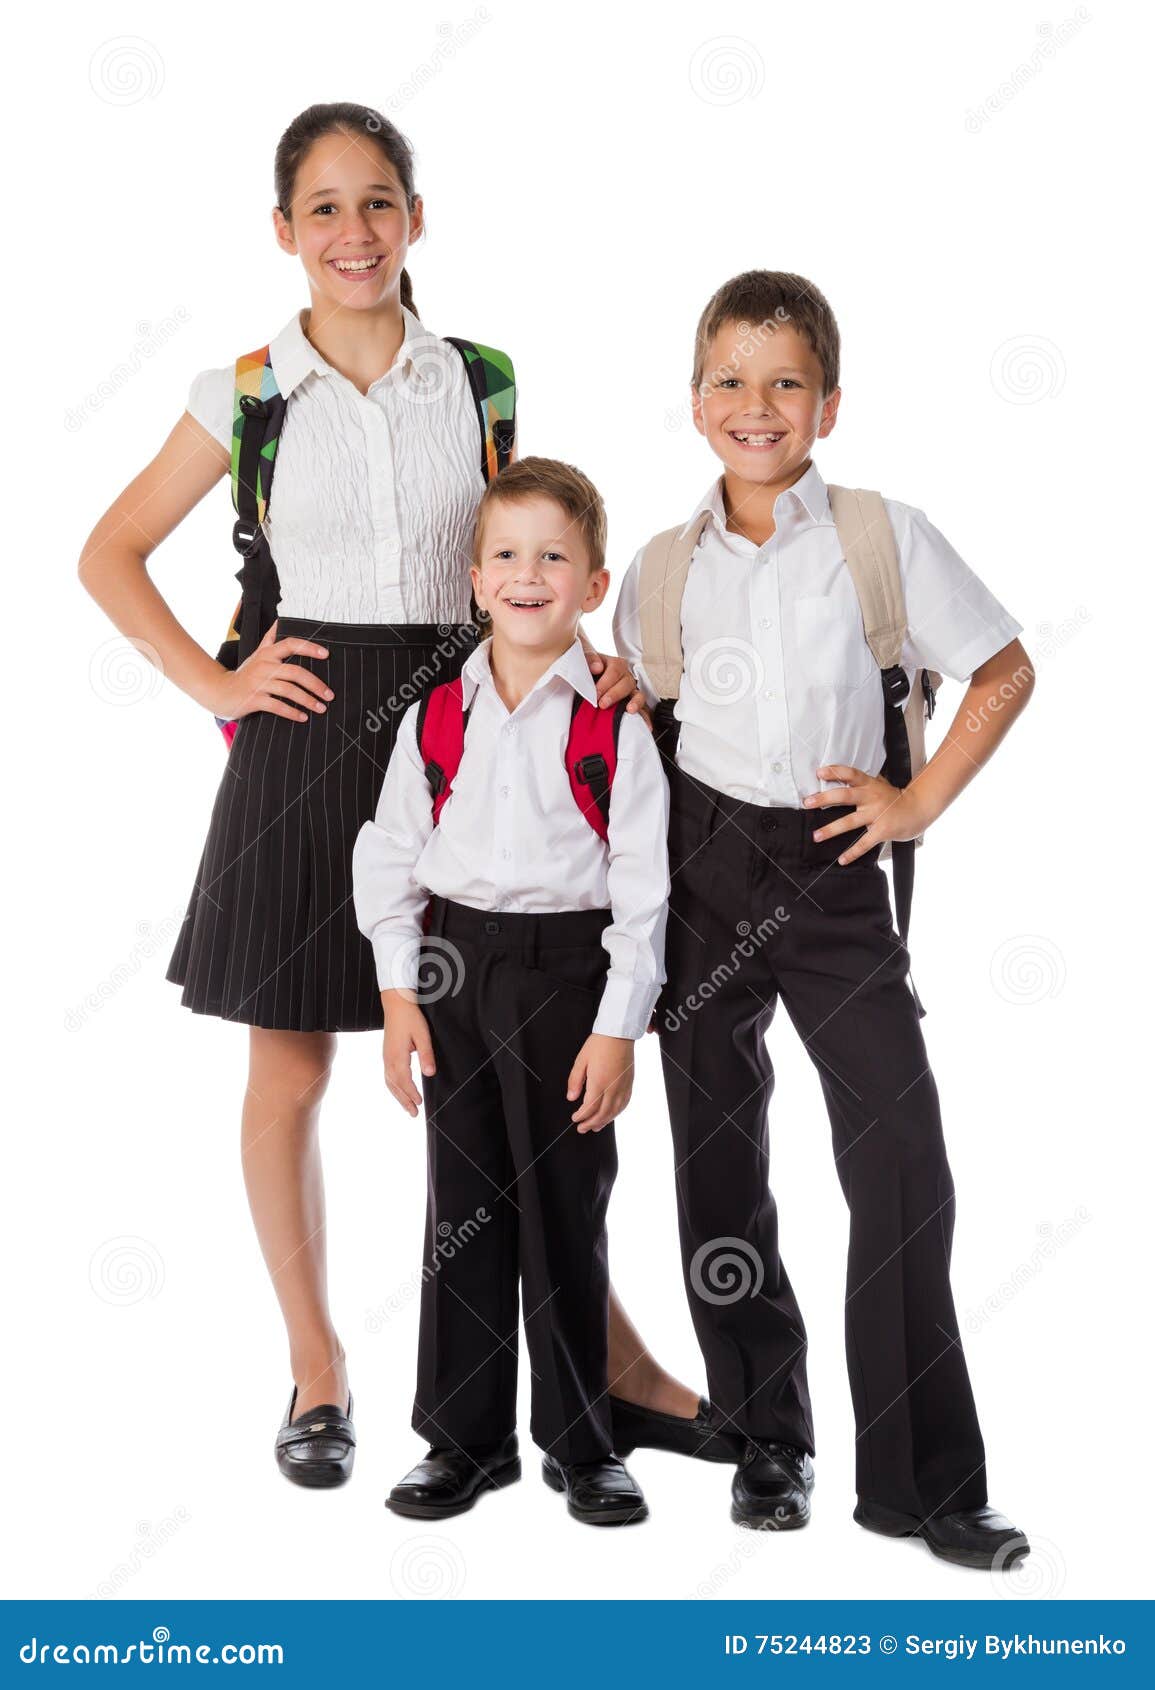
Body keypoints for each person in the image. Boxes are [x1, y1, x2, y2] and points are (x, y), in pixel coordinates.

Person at [77, 100, 695, 1490]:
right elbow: (107, 552)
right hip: (300, 744)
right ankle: (315, 1370)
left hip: (462, 720)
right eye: (323, 208)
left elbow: (517, 549)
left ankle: (606, 1357)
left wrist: (584, 658)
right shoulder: (239, 390)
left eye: (376, 204)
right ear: (283, 233)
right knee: (288, 1068)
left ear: (415, 218)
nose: (352, 232)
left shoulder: (477, 378)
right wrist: (216, 682)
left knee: (515, 1065)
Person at [613, 270, 1034, 1568]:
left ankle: (923, 1481)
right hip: (699, 871)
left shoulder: (879, 535)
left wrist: (913, 800)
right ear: (693, 404)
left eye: (785, 380)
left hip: (836, 869)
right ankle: (763, 1436)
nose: (757, 404)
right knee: (717, 1167)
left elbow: (1002, 667)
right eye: (730, 380)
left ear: (827, 404)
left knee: (901, 1164)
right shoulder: (659, 564)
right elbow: (632, 722)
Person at [353, 458, 665, 1526]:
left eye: (553, 556)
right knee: (463, 1211)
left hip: (568, 976)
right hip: (454, 973)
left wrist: (618, 1027)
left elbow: (643, 892)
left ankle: (585, 1441)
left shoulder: (617, 726)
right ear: (475, 577)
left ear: (593, 582)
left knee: (565, 1216)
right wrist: (400, 997)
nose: (528, 574)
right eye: (506, 555)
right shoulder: (437, 716)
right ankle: (462, 1439)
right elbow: (391, 856)